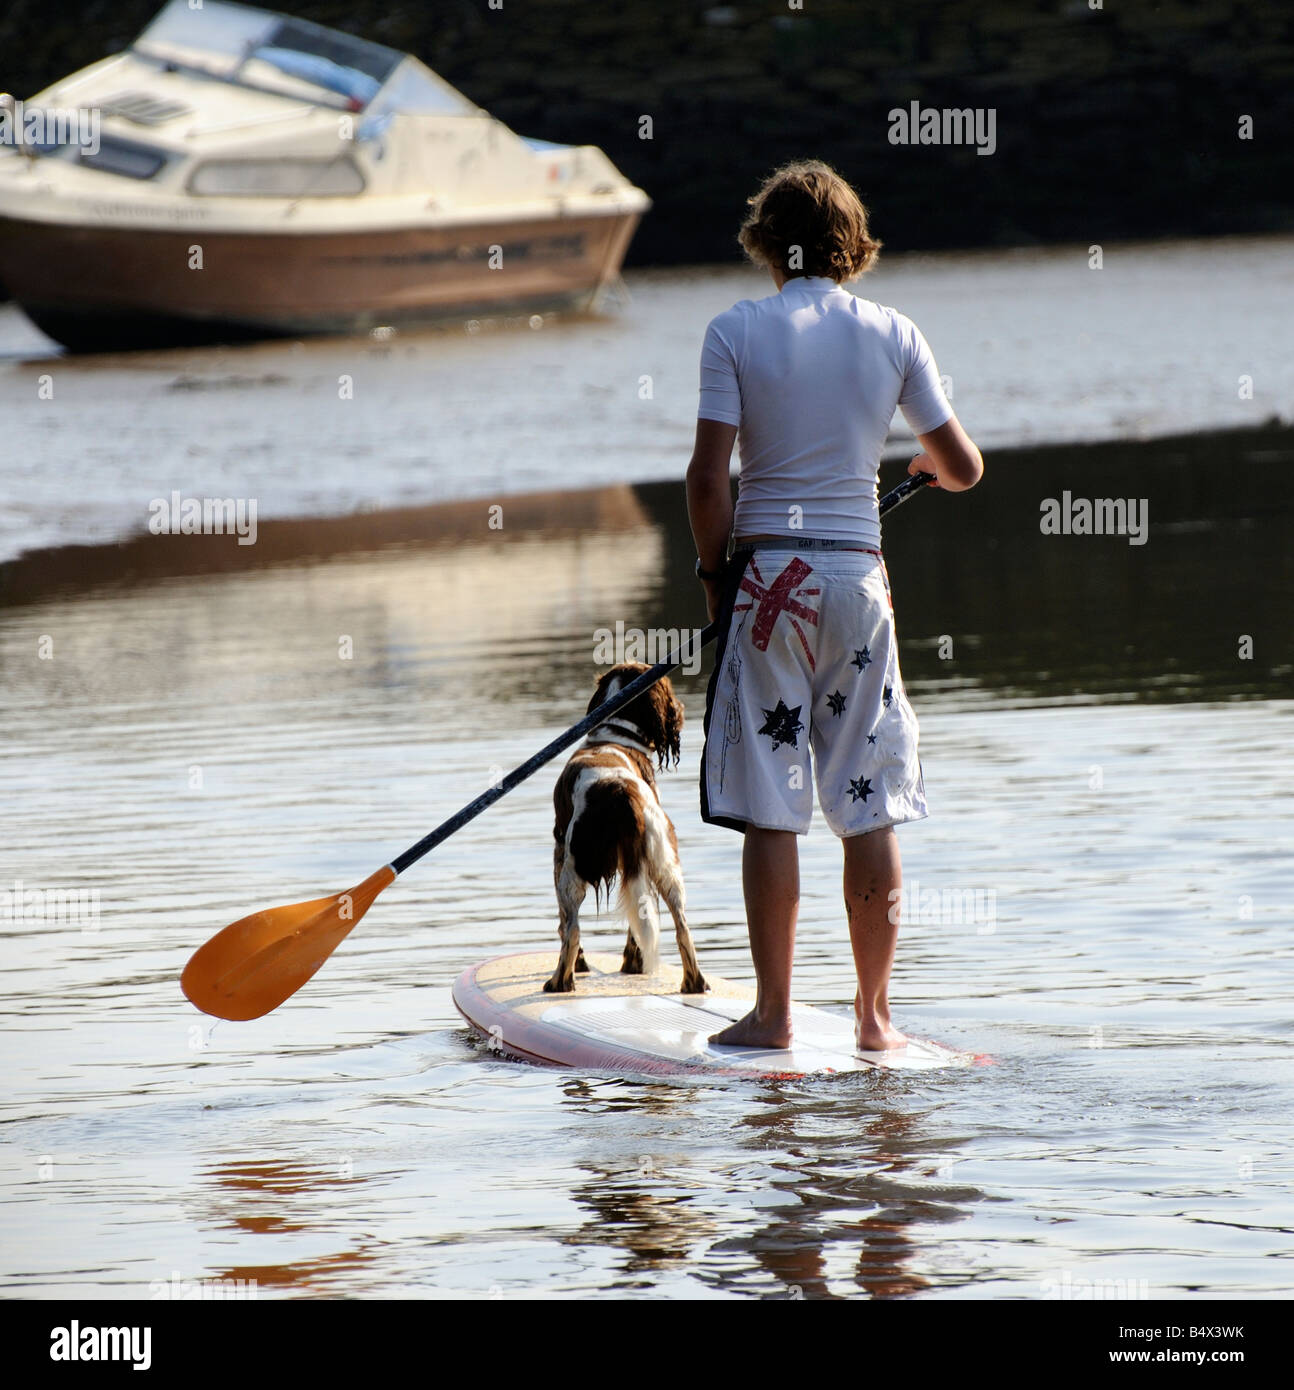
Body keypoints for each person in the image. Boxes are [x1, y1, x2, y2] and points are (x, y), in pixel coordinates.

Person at [685, 160, 983, 1052]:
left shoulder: (735, 330)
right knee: (869, 801)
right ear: (852, 248)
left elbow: (707, 480)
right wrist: (925, 466)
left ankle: (775, 1016)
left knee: (771, 804)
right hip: (858, 584)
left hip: (770, 587)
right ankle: (874, 1018)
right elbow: (963, 467)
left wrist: (714, 575)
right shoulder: (894, 332)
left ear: (768, 247)